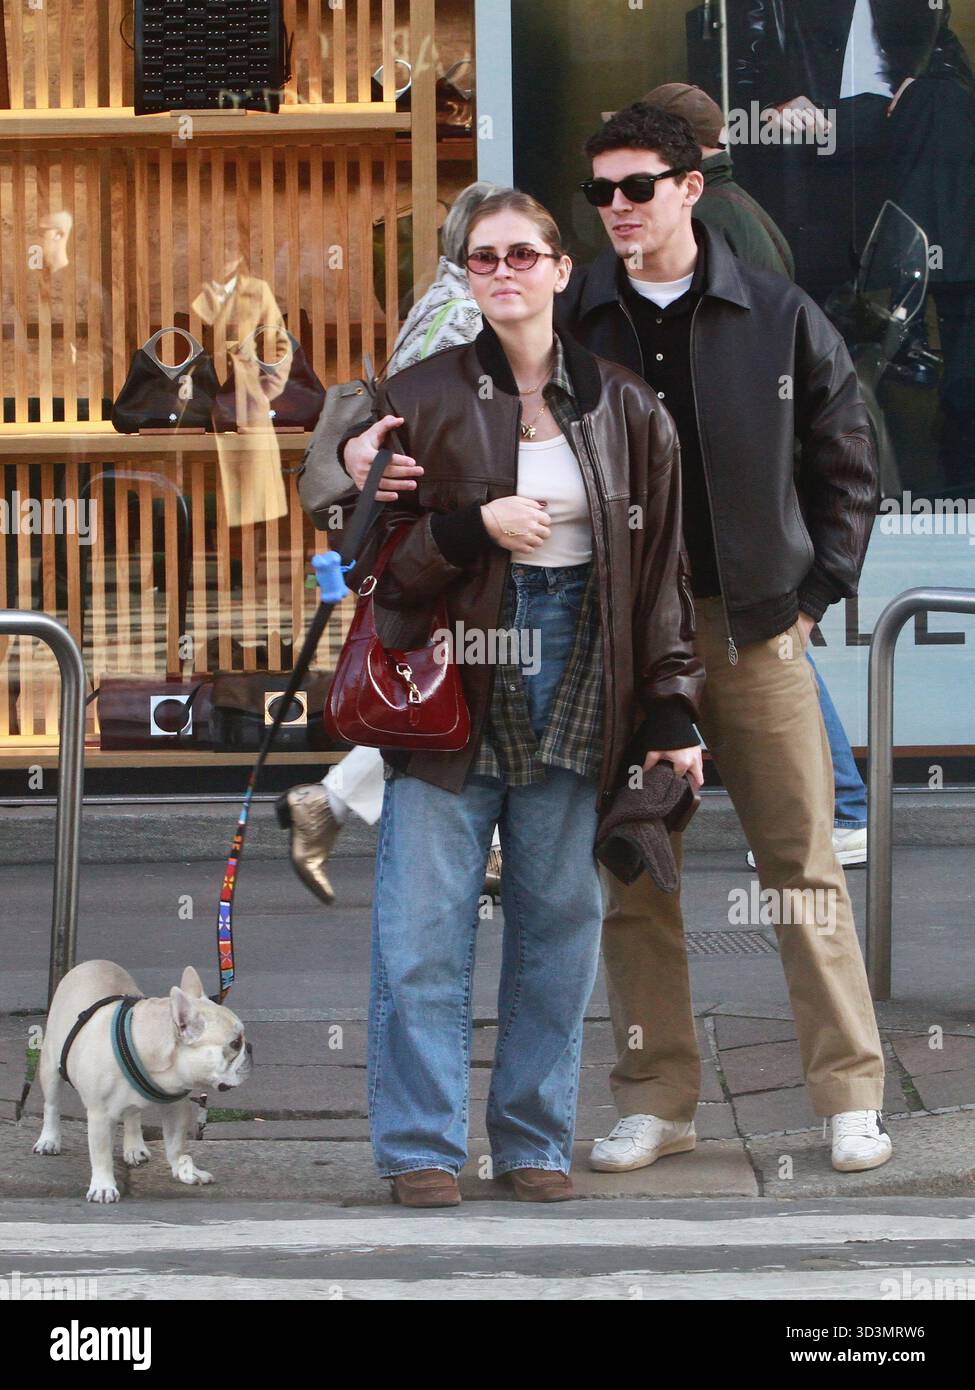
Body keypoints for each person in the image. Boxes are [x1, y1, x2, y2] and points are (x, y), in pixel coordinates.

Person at [341, 103, 889, 1175]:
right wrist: (361, 443)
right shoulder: (567, 304)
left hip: (750, 628)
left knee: (800, 863)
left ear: (693, 186)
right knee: (634, 866)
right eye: (601, 193)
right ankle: (659, 1091)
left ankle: (849, 1091)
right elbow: (428, 404)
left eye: (639, 187)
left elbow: (846, 459)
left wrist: (815, 592)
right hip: (610, 624)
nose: (619, 210)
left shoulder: (774, 313)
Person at [340, 188, 702, 1207]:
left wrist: (673, 710)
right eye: (482, 258)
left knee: (558, 924)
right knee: (423, 929)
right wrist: (472, 529)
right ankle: (420, 1145)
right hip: (456, 669)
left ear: (560, 269)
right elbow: (365, 552)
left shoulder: (627, 404)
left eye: (522, 254)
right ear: (468, 274)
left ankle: (534, 1135)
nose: (503, 272)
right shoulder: (421, 393)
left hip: (585, 660)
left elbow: (662, 572)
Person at [645, 82, 869, 867]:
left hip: (750, 496)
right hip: (754, 492)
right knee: (767, 650)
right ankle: (837, 806)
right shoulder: (740, 211)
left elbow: (768, 369)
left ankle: (839, 806)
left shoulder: (719, 224)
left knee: (774, 649)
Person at [279, 182, 503, 905]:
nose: (511, 269)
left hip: (427, 531)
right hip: (439, 535)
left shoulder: (439, 302)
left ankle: (328, 804)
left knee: (429, 685)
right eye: (495, 253)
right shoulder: (466, 315)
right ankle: (482, 847)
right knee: (441, 684)